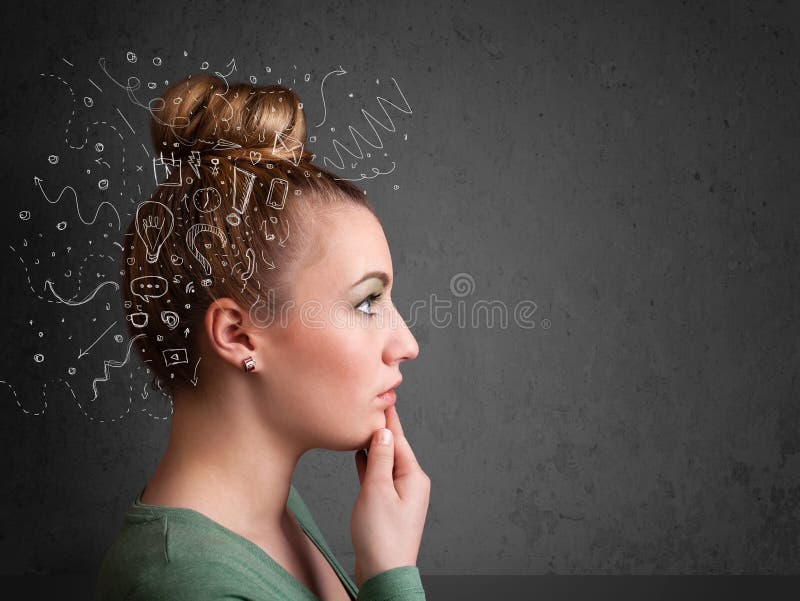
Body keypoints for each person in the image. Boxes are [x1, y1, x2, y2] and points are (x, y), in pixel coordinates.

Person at [95, 73, 430, 601]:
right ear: (238, 336)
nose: (406, 343)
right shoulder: (187, 588)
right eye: (367, 302)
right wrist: (390, 577)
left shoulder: (272, 514)